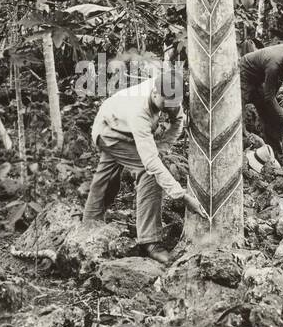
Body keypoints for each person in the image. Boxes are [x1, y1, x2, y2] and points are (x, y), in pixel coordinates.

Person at [82, 64, 204, 264]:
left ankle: (89, 222)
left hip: (121, 123)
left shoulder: (170, 93)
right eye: (167, 105)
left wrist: (163, 146)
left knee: (106, 177)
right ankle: (150, 241)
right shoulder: (139, 111)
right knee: (148, 172)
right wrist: (181, 195)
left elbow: (178, 121)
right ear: (155, 93)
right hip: (108, 131)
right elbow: (150, 163)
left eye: (174, 104)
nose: (171, 109)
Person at [239, 41, 283, 154]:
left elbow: (271, 96)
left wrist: (280, 114)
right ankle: (244, 136)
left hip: (260, 74)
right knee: (240, 107)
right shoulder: (273, 67)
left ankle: (276, 152)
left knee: (272, 116)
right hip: (245, 72)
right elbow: (269, 98)